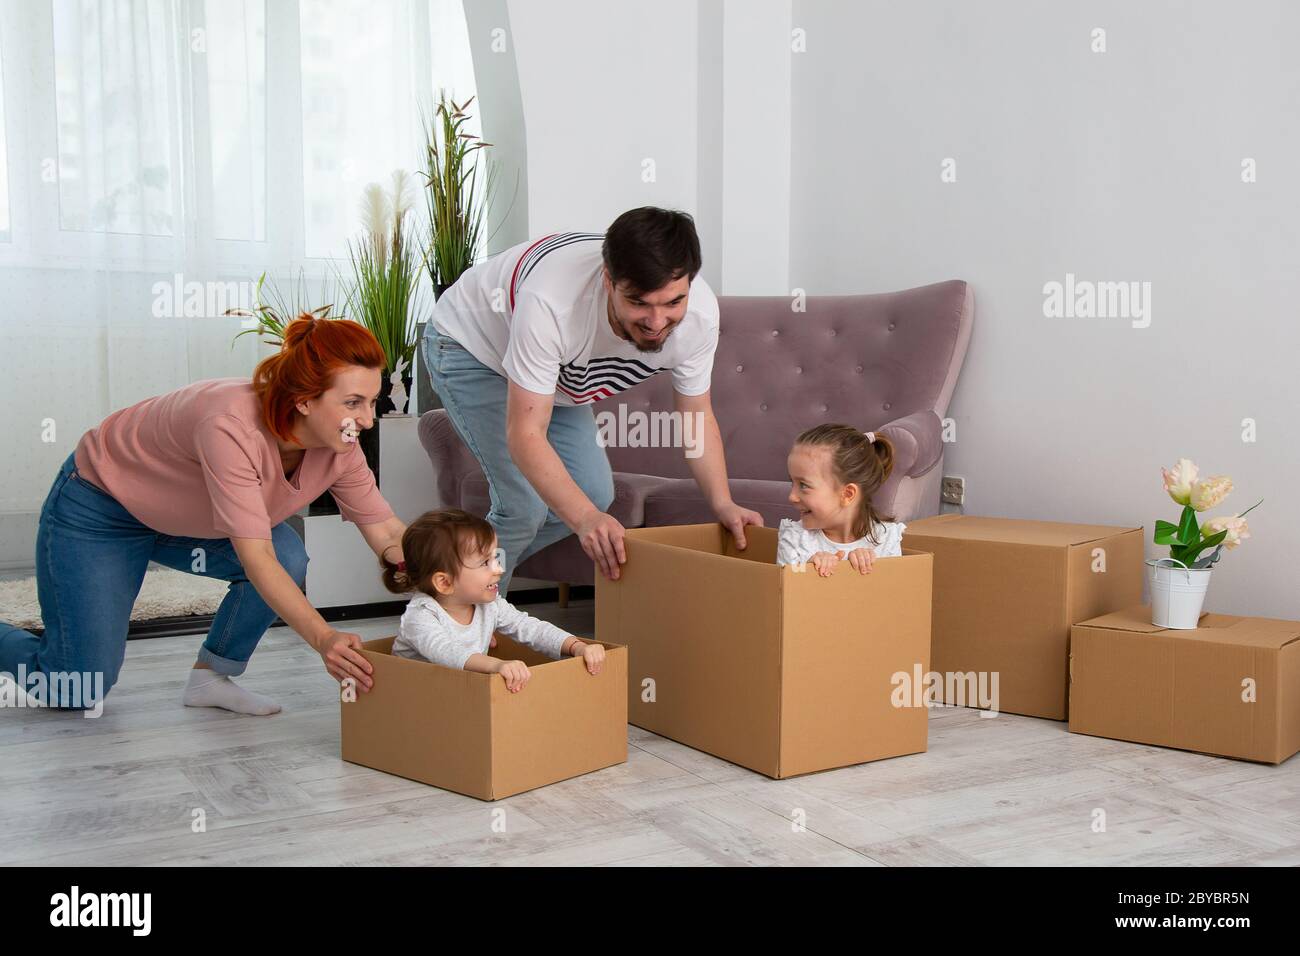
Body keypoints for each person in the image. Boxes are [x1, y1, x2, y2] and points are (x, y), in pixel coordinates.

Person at [0, 316, 407, 712]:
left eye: (371, 401)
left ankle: (210, 678)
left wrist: (445, 575)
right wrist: (324, 639)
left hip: (189, 520)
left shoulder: (342, 445)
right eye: (353, 403)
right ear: (303, 399)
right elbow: (256, 559)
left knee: (289, 556)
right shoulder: (230, 426)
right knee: (75, 686)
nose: (367, 420)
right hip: (104, 509)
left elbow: (387, 531)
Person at [422, 206, 763, 596]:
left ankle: (456, 580)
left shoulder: (699, 317)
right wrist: (584, 520)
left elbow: (696, 417)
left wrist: (723, 503)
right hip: (473, 349)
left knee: (595, 496)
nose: (656, 322)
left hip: (558, 379)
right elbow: (526, 434)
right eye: (638, 303)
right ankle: (460, 615)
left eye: (672, 302)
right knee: (524, 508)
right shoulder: (552, 303)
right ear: (608, 281)